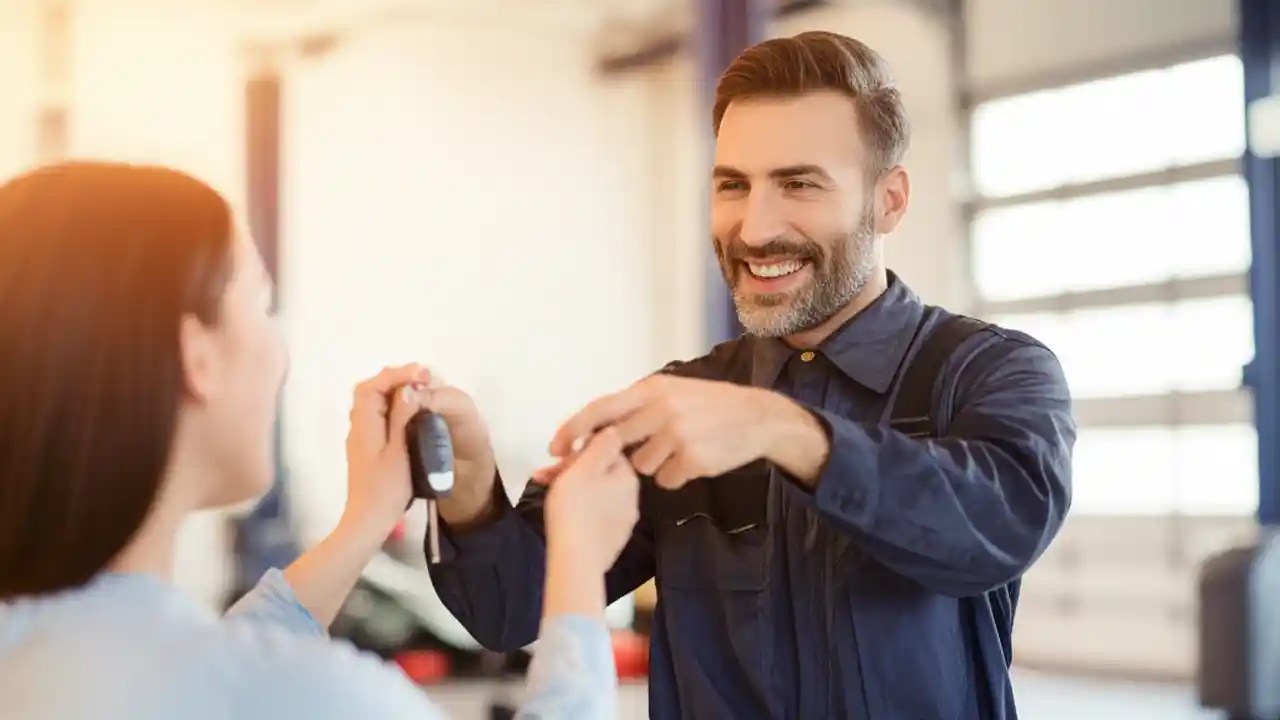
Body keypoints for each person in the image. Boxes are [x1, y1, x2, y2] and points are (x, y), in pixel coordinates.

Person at [424, 31, 1075, 719]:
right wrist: (469, 485)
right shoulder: (680, 405)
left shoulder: (990, 372)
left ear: (889, 200)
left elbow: (999, 525)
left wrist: (781, 430)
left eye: (799, 184)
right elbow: (508, 609)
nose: (756, 229)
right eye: (733, 185)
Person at [0, 161, 640, 719]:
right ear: (196, 356)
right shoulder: (305, 692)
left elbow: (204, 666)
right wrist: (579, 563)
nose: (279, 353)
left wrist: (365, 521)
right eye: (262, 306)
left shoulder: (49, 651)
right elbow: (240, 680)